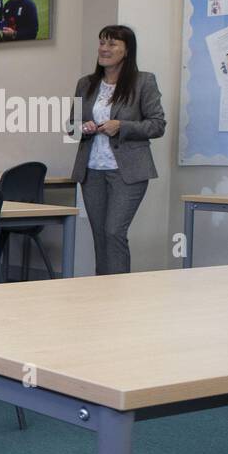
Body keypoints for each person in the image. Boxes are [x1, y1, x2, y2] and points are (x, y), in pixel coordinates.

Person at [70, 24, 166, 274]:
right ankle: (103, 296)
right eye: (102, 42)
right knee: (100, 235)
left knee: (114, 231)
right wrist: (84, 126)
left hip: (128, 171)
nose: (104, 48)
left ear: (127, 50)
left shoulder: (144, 81)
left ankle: (120, 296)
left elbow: (157, 125)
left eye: (112, 44)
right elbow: (71, 126)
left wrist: (121, 126)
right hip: (91, 171)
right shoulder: (86, 84)